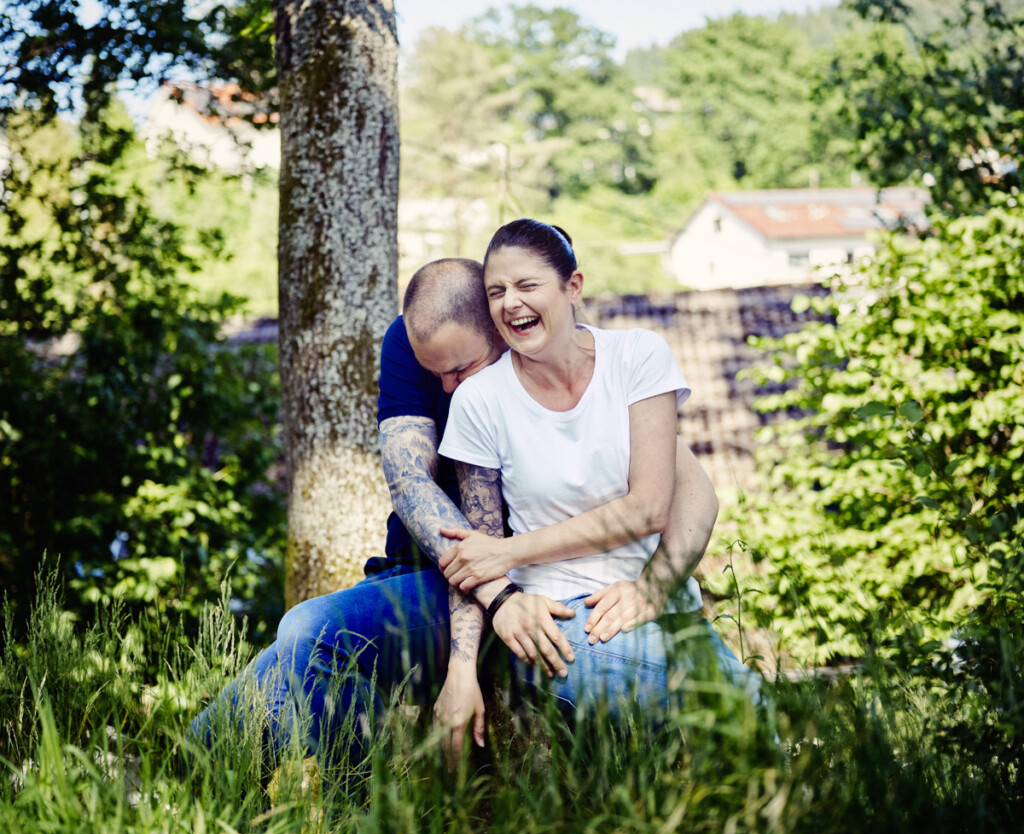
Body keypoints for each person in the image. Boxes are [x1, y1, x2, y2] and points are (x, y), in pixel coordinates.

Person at [187, 256, 721, 759]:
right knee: (278, 664)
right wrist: (497, 595)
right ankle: (194, 771)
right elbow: (409, 482)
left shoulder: (565, 361)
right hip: (435, 577)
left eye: (462, 369)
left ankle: (359, 812)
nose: (446, 387)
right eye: (436, 373)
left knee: (308, 635)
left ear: (504, 329)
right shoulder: (419, 335)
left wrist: (654, 586)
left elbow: (688, 491)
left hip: (533, 586)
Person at [435, 219, 761, 735]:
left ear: (573, 287)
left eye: (526, 285)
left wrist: (652, 589)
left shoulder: (636, 357)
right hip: (558, 615)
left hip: (655, 608)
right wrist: (463, 665)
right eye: (496, 292)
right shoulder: (480, 399)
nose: (510, 303)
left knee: (736, 709)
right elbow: (476, 552)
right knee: (726, 705)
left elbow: (654, 506)